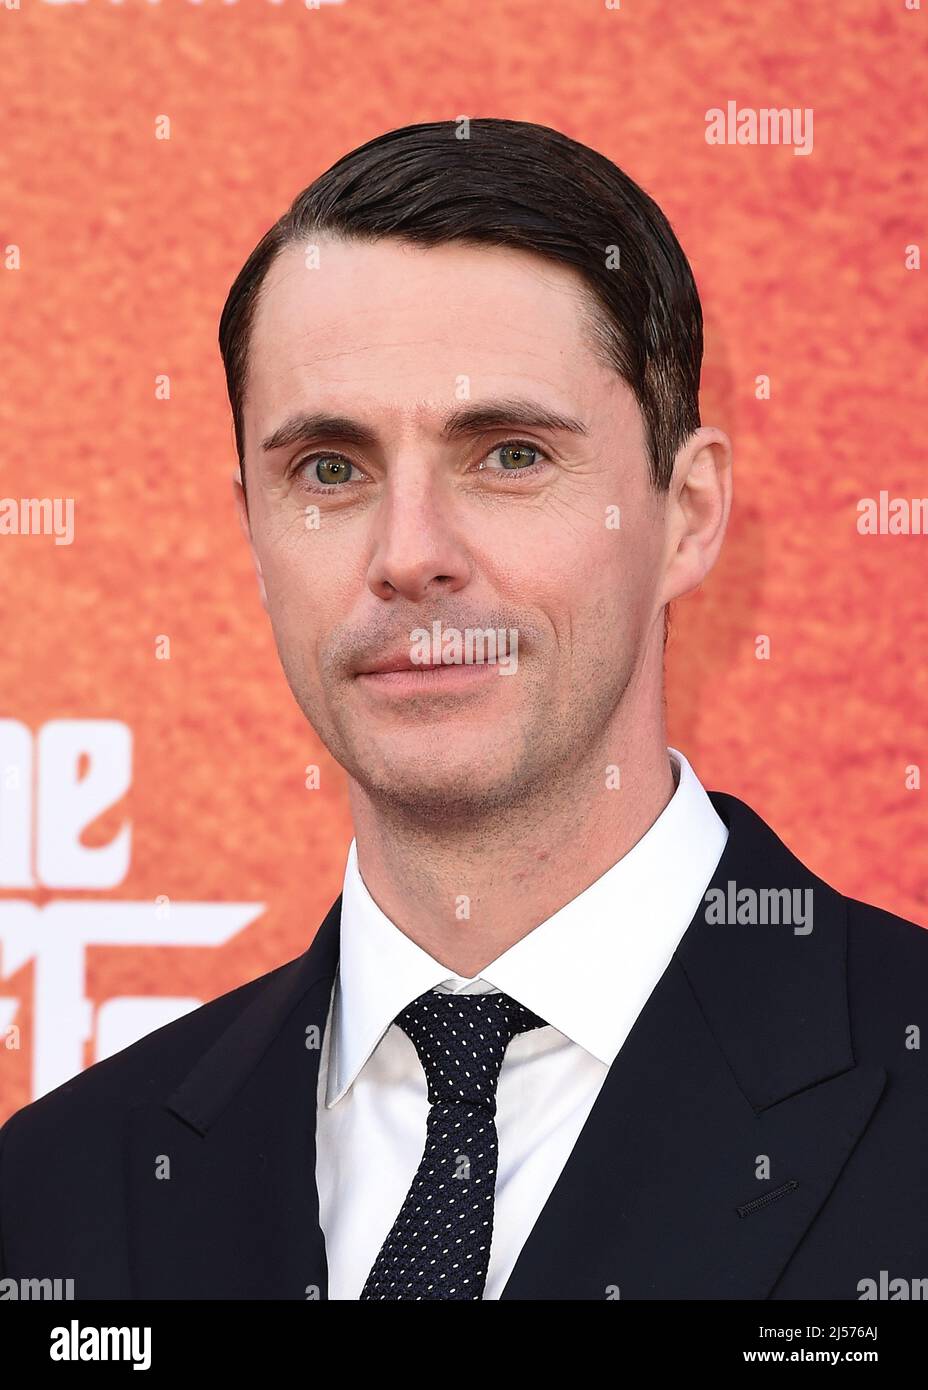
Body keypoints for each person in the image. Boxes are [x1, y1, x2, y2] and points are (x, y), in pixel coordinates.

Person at [1, 119, 926, 1301]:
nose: (409, 554)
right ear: (252, 529)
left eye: (508, 454)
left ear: (687, 514)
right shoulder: (59, 1195)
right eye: (330, 470)